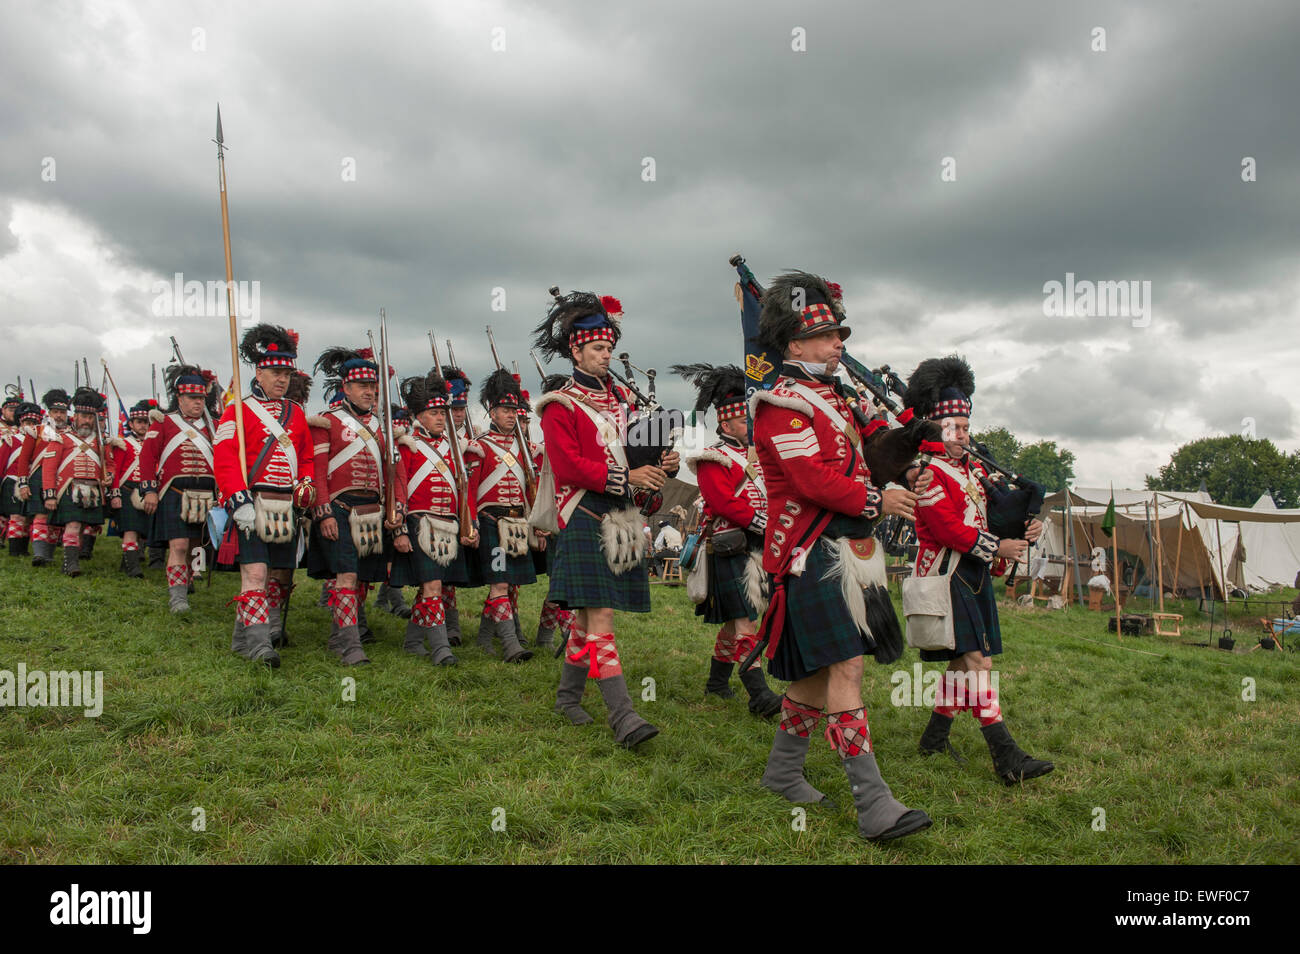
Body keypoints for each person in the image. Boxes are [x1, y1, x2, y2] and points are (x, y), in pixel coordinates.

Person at [750, 270, 931, 843]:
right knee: (847, 666)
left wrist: (908, 458)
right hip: (808, 549)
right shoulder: (780, 403)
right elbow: (810, 480)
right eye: (827, 337)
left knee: (816, 673)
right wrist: (881, 498)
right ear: (794, 346)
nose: (839, 345)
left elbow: (870, 454)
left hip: (844, 546)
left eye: (838, 335)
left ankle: (781, 772)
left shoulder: (838, 397)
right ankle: (872, 801)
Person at [532, 289, 678, 748]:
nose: (605, 355)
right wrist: (627, 474)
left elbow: (634, 454)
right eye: (597, 348)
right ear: (575, 350)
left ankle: (567, 699)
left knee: (586, 621)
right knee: (601, 618)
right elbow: (571, 466)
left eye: (609, 348)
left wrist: (661, 465)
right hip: (583, 516)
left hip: (619, 517)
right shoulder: (559, 405)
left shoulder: (625, 405)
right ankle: (624, 716)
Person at [906, 356, 1053, 785]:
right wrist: (995, 547)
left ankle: (934, 739)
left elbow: (995, 516)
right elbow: (948, 529)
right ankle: (1006, 756)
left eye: (966, 428)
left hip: (972, 575)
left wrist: (1029, 524)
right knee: (977, 662)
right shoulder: (929, 474)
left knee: (962, 663)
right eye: (954, 429)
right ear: (935, 429)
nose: (962, 436)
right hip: (948, 574)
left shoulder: (972, 472)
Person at [675, 362, 783, 717]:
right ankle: (759, 694)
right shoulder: (711, 458)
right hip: (729, 545)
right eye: (744, 422)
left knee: (737, 620)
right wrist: (761, 521)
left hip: (758, 546)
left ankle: (716, 683)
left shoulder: (763, 457)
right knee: (745, 622)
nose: (751, 428)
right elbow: (723, 502)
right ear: (725, 423)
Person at [213, 324, 317, 668]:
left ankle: (245, 639)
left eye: (286, 373)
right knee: (255, 574)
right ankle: (260, 646)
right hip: (251, 502)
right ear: (259, 371)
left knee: (277, 576)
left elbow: (305, 457)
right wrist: (237, 499)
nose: (282, 379)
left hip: (286, 507)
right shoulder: (237, 411)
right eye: (275, 372)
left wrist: (306, 484)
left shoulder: (297, 413)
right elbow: (225, 457)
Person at [306, 345, 408, 666]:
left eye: (373, 387)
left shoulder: (383, 428)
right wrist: (322, 511)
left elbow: (397, 475)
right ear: (346, 388)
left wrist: (399, 508)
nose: (369, 392)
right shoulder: (327, 422)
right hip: (339, 508)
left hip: (372, 512)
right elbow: (319, 472)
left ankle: (342, 634)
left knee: (362, 577)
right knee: (346, 577)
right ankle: (350, 646)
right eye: (362, 386)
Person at [390, 370, 477, 664]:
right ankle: (441, 649)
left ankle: (413, 641)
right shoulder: (408, 445)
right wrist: (399, 529)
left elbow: (464, 492)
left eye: (443, 412)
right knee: (432, 587)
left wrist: (470, 524)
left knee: (434, 584)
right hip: (419, 524)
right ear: (419, 416)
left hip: (448, 526)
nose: (441, 418)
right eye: (434, 412)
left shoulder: (455, 448)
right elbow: (400, 491)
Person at [463, 369, 538, 663]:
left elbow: (532, 490)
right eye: (505, 410)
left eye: (514, 410)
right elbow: (469, 491)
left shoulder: (526, 450)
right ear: (492, 412)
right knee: (500, 583)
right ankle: (510, 646)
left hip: (518, 524)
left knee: (508, 583)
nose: (511, 415)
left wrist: (538, 527)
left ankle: (484, 639)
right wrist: (470, 523)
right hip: (492, 523)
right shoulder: (479, 446)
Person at [138, 366, 221, 612]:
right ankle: (177, 597)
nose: (197, 403)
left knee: (197, 545)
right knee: (179, 545)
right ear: (180, 398)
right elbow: (146, 458)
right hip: (175, 493)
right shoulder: (163, 422)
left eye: (201, 398)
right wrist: (150, 490)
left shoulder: (214, 425)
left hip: (207, 495)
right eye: (192, 398)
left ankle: (190, 578)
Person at [40, 387, 110, 577]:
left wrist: (108, 477)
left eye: (90, 417)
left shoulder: (101, 442)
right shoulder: (60, 438)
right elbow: (49, 468)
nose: (87, 421)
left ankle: (70, 560)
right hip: (69, 489)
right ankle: (71, 564)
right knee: (73, 525)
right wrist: (50, 494)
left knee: (83, 527)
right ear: (75, 416)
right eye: (83, 416)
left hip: (93, 490)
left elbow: (108, 465)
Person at [440, 365, 474, 646]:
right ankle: (440, 630)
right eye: (454, 408)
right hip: (434, 511)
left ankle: (451, 627)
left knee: (448, 577)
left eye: (462, 408)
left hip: (459, 512)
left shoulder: (468, 442)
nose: (459, 413)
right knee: (433, 580)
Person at [19, 388, 71, 567]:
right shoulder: (36, 431)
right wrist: (23, 484)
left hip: (61, 477)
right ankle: (39, 554)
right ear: (49, 412)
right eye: (55, 412)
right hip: (38, 475)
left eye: (62, 412)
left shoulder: (72, 434)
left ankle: (48, 554)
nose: (58, 416)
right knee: (40, 515)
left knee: (55, 518)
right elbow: (24, 459)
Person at [107, 399, 157, 578]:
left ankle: (126, 562)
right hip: (127, 490)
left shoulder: (154, 445)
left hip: (147, 491)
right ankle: (133, 568)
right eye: (140, 422)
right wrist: (115, 493)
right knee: (130, 530)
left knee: (141, 532)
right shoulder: (124, 444)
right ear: (132, 424)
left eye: (146, 422)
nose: (143, 426)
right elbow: (116, 471)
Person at [3, 400, 41, 557]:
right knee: (16, 517)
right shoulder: (11, 439)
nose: (29, 425)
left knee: (26, 517)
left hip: (30, 481)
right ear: (21, 421)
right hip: (12, 482)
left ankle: (23, 549)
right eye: (27, 421)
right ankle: (14, 550)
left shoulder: (40, 441)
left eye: (33, 422)